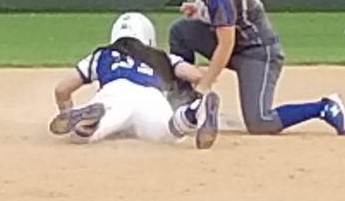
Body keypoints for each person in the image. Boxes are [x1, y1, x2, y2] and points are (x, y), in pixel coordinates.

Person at [162, 0, 345, 136]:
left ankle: (324, 107)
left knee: (260, 122)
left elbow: (226, 43)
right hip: (240, 45)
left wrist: (204, 85)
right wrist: (200, 10)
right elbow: (231, 16)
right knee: (181, 31)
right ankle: (184, 103)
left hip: (258, 53)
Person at [48, 11, 221, 149]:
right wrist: (198, 87)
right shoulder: (162, 57)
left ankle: (88, 116)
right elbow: (196, 76)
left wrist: (66, 110)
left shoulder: (102, 55)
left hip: (114, 93)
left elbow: (62, 89)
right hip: (152, 97)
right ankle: (193, 112)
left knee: (84, 135)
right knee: (169, 132)